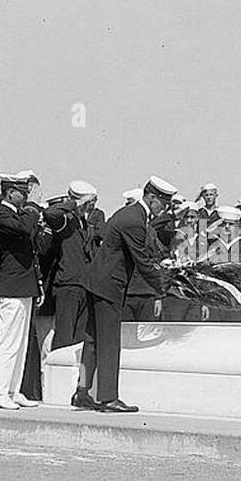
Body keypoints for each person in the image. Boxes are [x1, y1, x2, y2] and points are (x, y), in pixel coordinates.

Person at [84, 176, 176, 412]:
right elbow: (143, 261)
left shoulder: (133, 215)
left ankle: (82, 391)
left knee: (93, 339)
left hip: (99, 282)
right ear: (151, 197)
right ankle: (107, 398)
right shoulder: (135, 220)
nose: (163, 210)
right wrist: (167, 287)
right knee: (109, 342)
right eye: (162, 204)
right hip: (109, 285)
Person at [0, 171, 48, 409]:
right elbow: (23, 230)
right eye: (22, 193)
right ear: (10, 193)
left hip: (24, 285)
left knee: (20, 343)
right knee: (7, 341)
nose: (25, 197)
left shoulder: (22, 215)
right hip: (10, 285)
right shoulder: (0, 215)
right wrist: (32, 205)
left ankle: (13, 388)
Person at [46, 181, 106, 409]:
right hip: (67, 286)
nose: (91, 206)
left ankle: (79, 388)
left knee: (80, 343)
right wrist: (74, 203)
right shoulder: (66, 218)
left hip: (84, 285)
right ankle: (58, 388)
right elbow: (50, 212)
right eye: (88, 201)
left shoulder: (86, 221)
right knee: (64, 338)